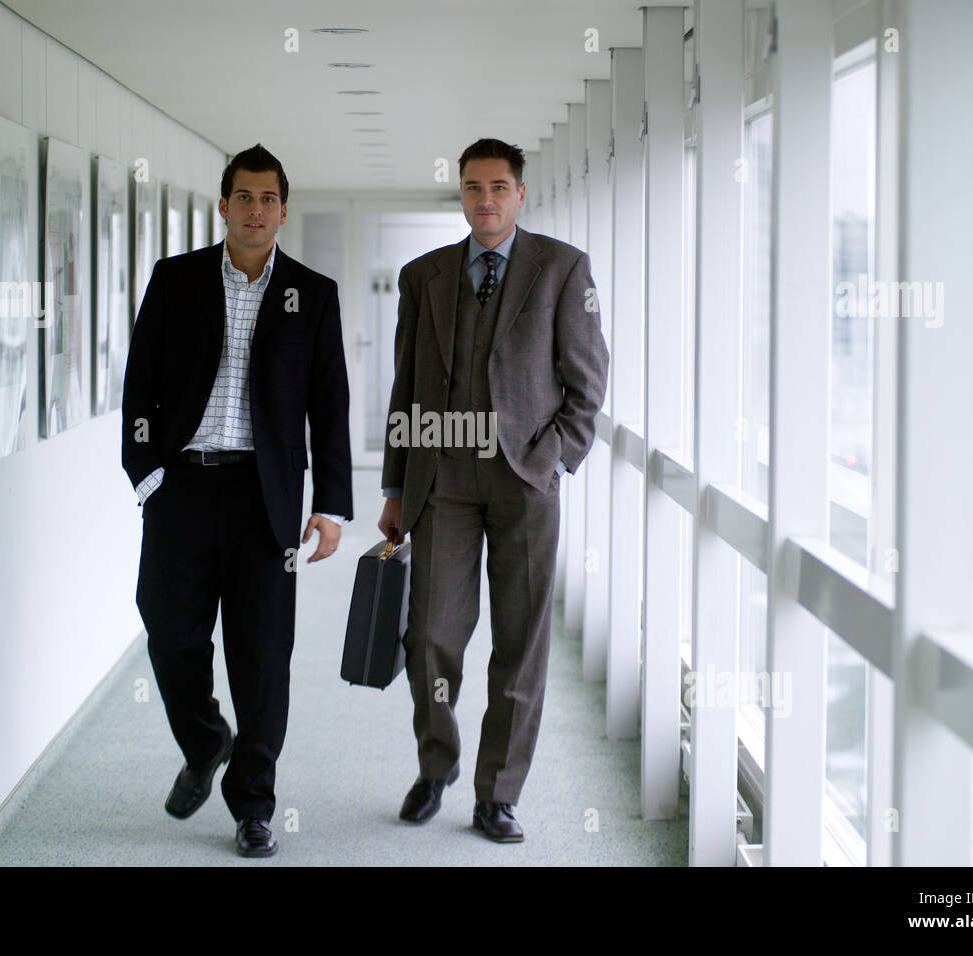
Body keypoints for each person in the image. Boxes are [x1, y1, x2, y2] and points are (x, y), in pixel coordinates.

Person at [122, 144, 352, 858]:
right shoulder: (176, 279)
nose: (256, 211)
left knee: (262, 660)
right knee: (167, 627)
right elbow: (141, 385)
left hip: (265, 498)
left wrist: (332, 504)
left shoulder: (312, 295)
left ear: (284, 210)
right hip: (183, 486)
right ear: (222, 205)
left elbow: (330, 405)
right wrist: (147, 473)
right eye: (243, 197)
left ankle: (253, 805)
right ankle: (205, 738)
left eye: (268, 199)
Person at [378, 138, 609, 842]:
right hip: (442, 478)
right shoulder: (423, 277)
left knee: (520, 642)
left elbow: (588, 382)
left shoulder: (564, 270)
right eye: (474, 187)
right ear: (460, 194)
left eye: (499, 187)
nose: (486, 199)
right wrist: (394, 484)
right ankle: (436, 764)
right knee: (431, 637)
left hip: (524, 482)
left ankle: (498, 793)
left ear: (520, 193)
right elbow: (405, 385)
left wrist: (551, 461)